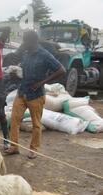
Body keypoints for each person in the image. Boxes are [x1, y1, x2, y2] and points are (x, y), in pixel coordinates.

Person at [5, 30, 66, 159]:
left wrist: (41, 83)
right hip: (22, 92)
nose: (23, 43)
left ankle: (34, 149)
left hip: (36, 95)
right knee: (15, 120)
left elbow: (61, 70)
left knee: (36, 124)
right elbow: (24, 71)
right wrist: (16, 74)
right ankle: (14, 146)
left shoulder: (45, 55)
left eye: (25, 40)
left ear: (32, 41)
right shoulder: (26, 54)